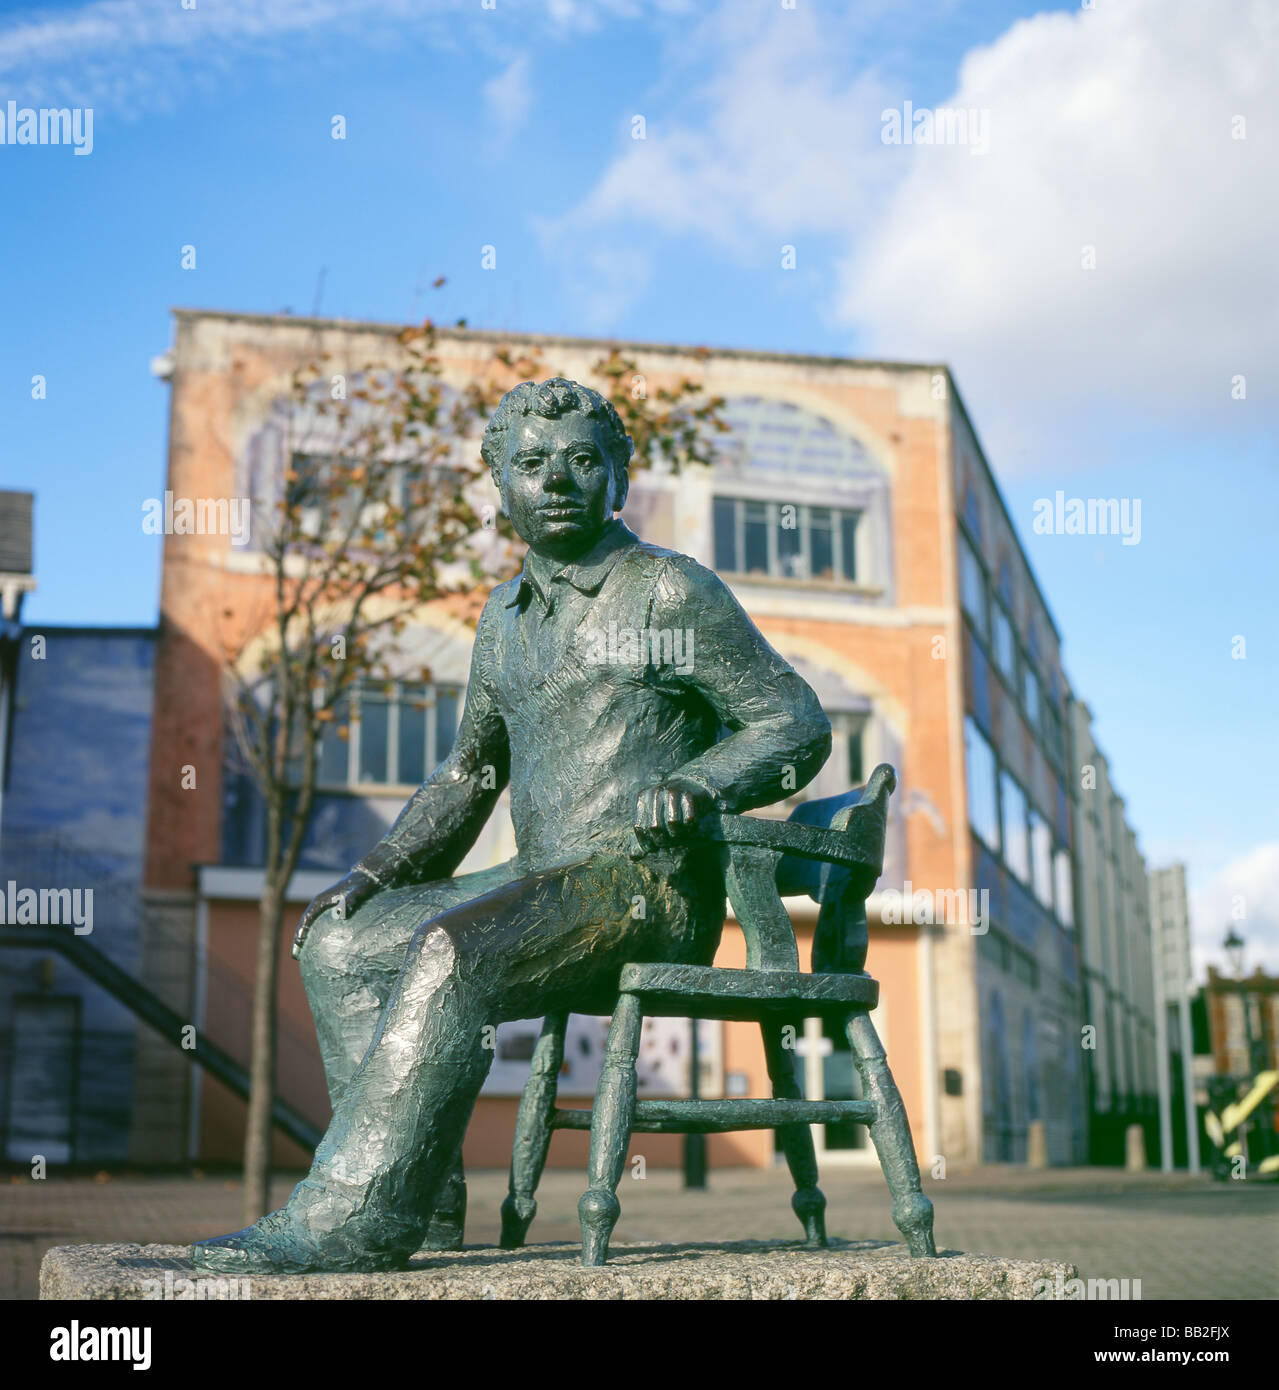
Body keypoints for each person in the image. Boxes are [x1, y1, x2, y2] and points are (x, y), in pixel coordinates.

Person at [193, 377, 830, 1273]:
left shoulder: (666, 591)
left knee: (452, 951)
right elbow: (468, 774)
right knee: (339, 945)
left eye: (583, 460)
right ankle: (420, 1205)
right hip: (540, 883)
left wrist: (700, 781)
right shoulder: (502, 618)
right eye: (531, 463)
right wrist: (373, 875)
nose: (557, 479)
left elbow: (793, 720)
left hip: (642, 890)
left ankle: (350, 1220)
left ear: (618, 477)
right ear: (499, 483)